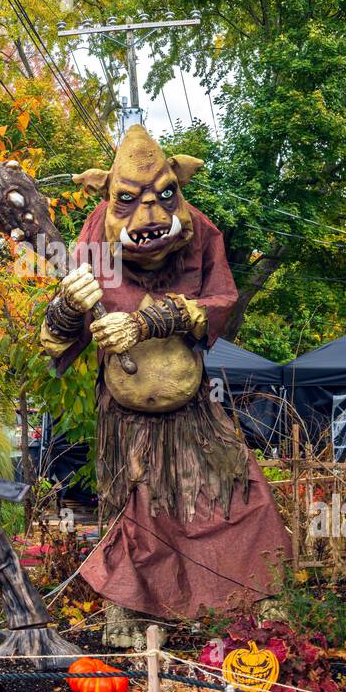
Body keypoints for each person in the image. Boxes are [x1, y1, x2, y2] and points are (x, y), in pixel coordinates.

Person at [39, 125, 292, 647]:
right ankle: (131, 614)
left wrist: (149, 321)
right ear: (107, 194)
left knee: (236, 488)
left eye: (164, 195)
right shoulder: (95, 238)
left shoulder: (199, 231)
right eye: (128, 200)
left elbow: (220, 303)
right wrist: (68, 308)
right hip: (127, 413)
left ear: (179, 182)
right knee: (140, 511)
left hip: (192, 407)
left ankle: (262, 600)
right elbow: (55, 344)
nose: (149, 216)